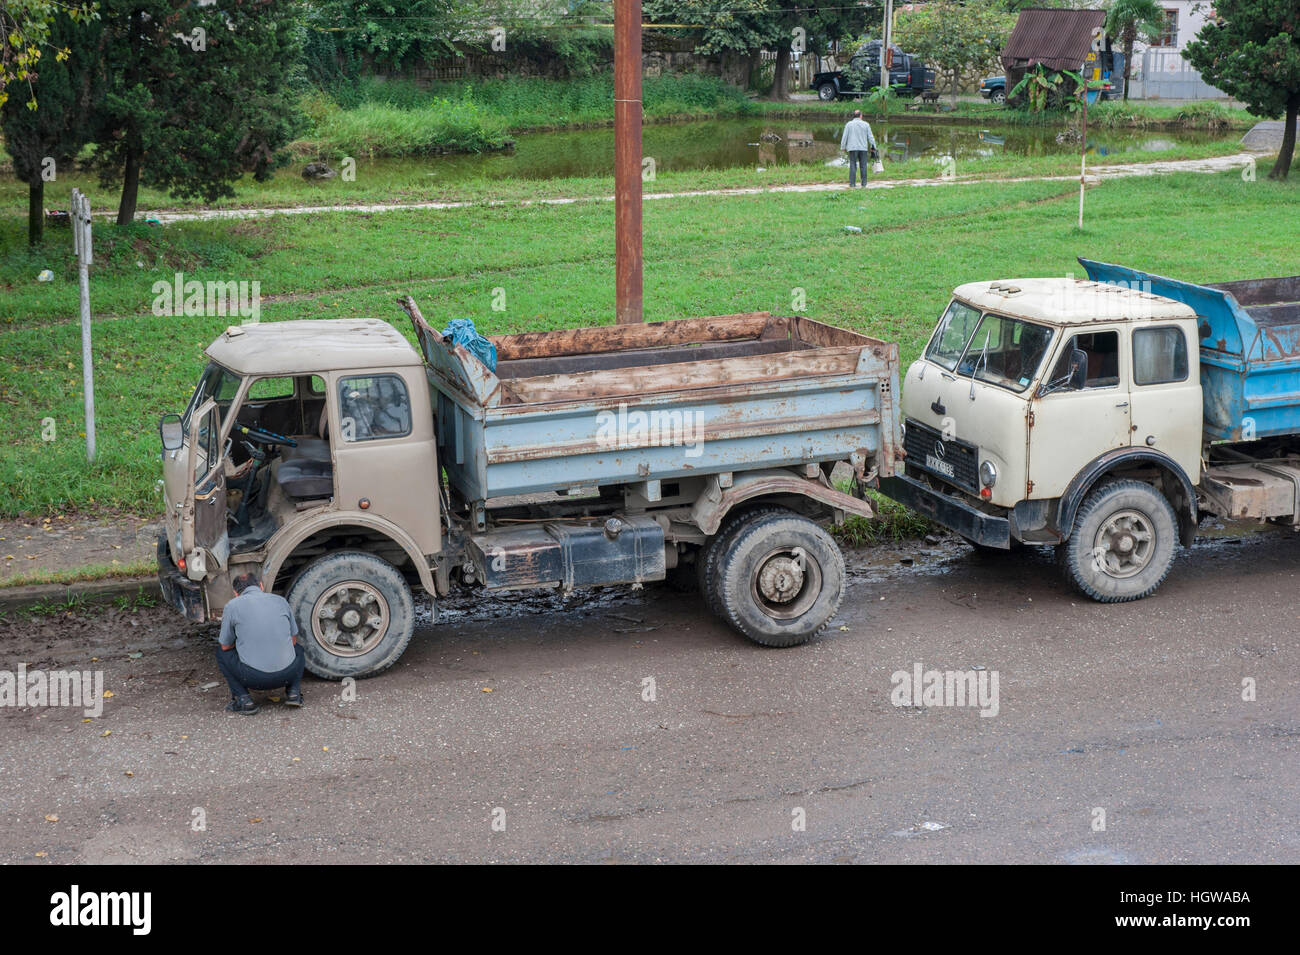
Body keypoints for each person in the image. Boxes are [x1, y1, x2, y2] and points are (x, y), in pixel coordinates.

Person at [215, 571, 306, 714]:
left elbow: (225, 646)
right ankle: (294, 693)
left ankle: (244, 700)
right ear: (261, 586)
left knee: (221, 654)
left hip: (253, 679)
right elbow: (293, 641)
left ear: (236, 593)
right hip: (289, 673)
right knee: (299, 650)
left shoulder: (232, 606)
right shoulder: (280, 601)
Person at [839, 109, 878, 188]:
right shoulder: (866, 124)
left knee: (853, 165)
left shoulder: (849, 124)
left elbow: (844, 137)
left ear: (853, 116)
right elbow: (870, 137)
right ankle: (864, 184)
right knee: (863, 166)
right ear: (861, 116)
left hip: (852, 148)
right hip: (863, 148)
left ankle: (852, 184)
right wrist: (873, 147)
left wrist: (843, 147)